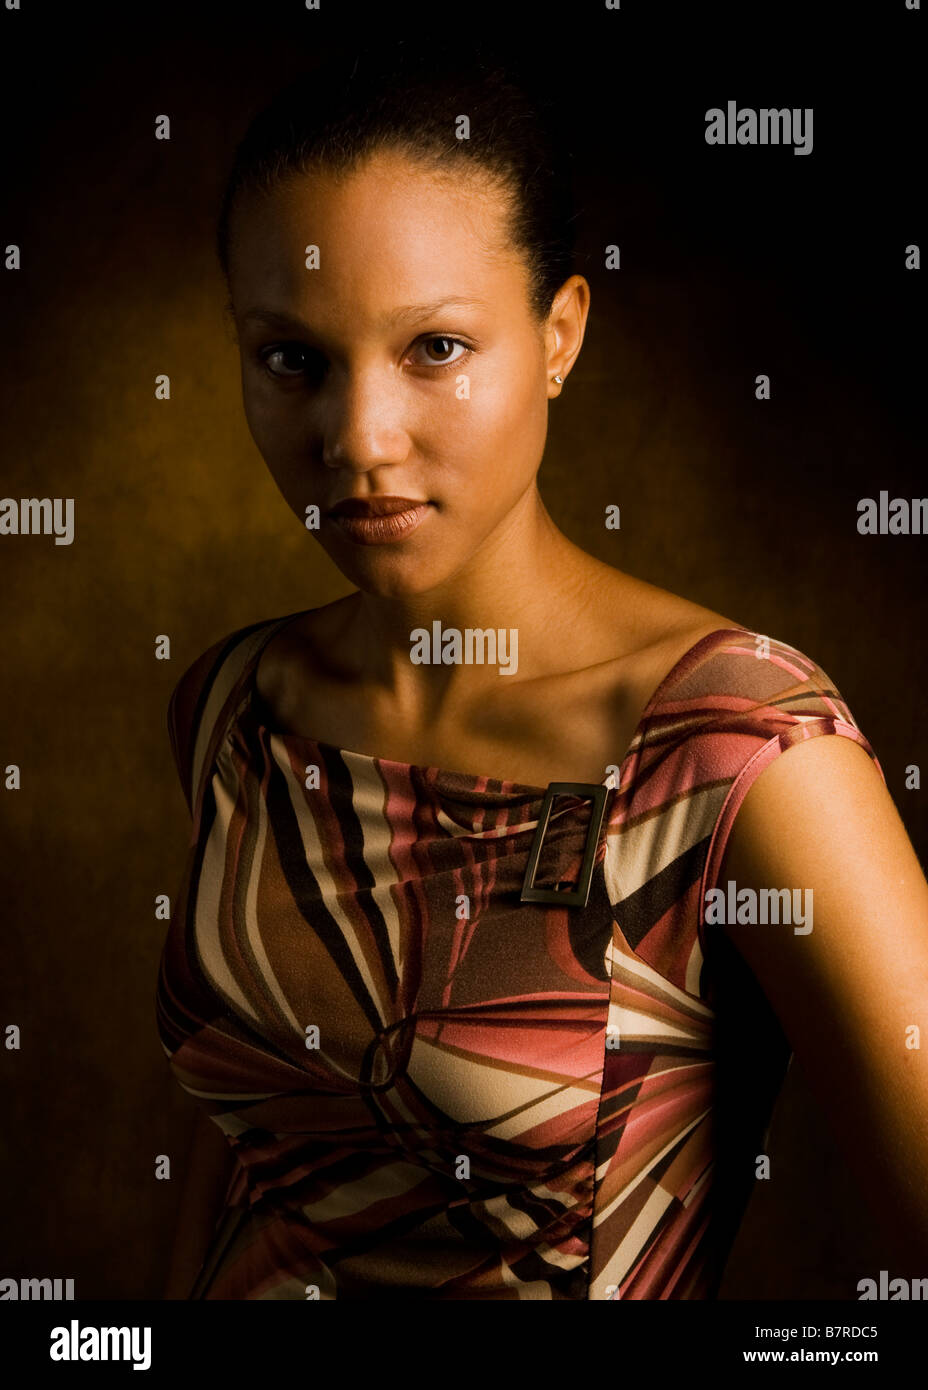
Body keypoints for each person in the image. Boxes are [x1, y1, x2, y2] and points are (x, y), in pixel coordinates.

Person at [156, 40, 928, 1300]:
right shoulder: (237, 707)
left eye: (436, 349)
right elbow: (255, 1150)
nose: (357, 438)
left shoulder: (741, 750)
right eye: (291, 357)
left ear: (558, 333)